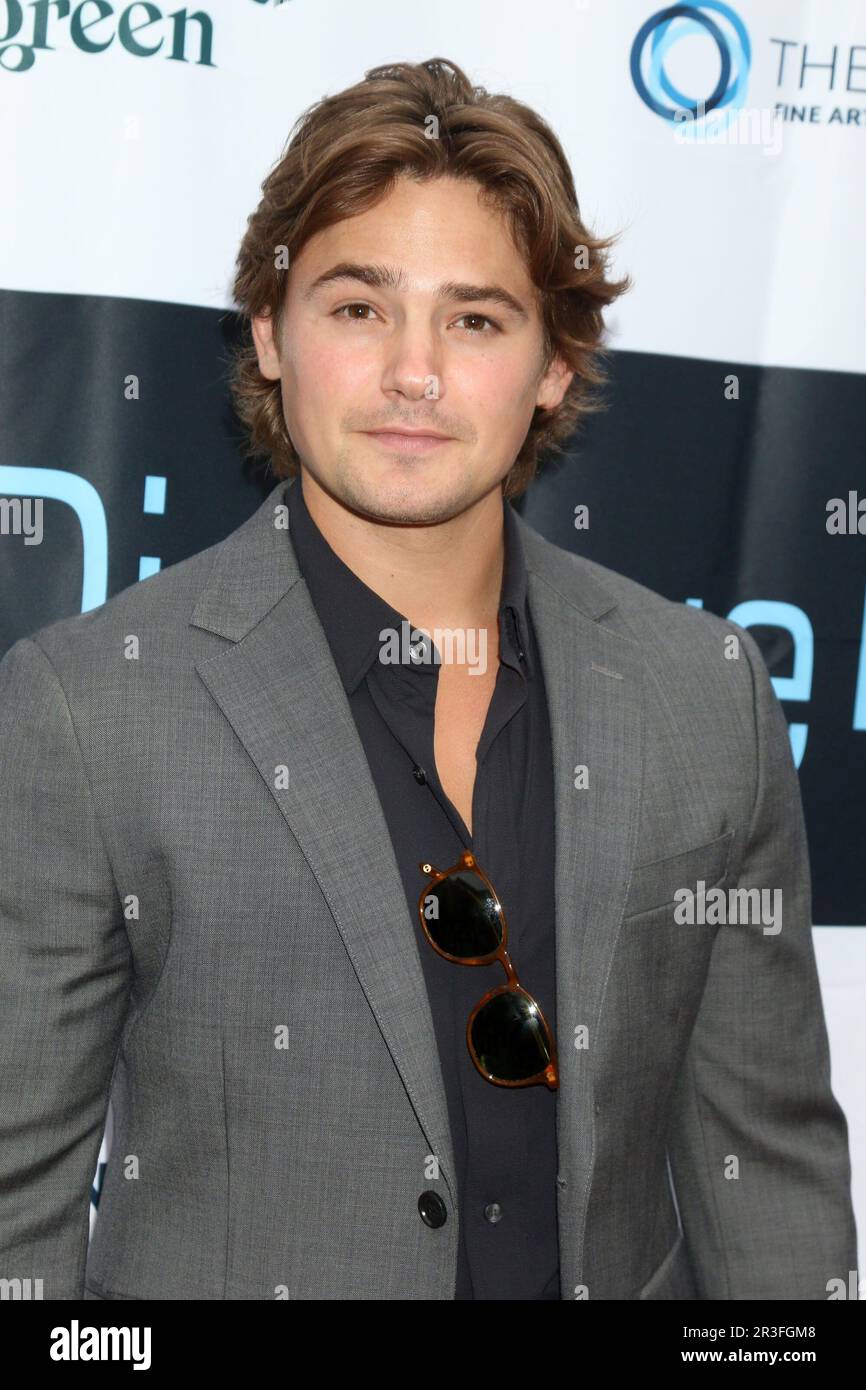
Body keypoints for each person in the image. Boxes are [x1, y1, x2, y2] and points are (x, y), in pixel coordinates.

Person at [0, 57, 856, 1301]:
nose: (414, 372)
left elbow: (765, 1175)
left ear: (554, 366)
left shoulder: (700, 690)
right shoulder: (91, 707)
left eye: (475, 318)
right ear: (270, 335)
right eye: (357, 308)